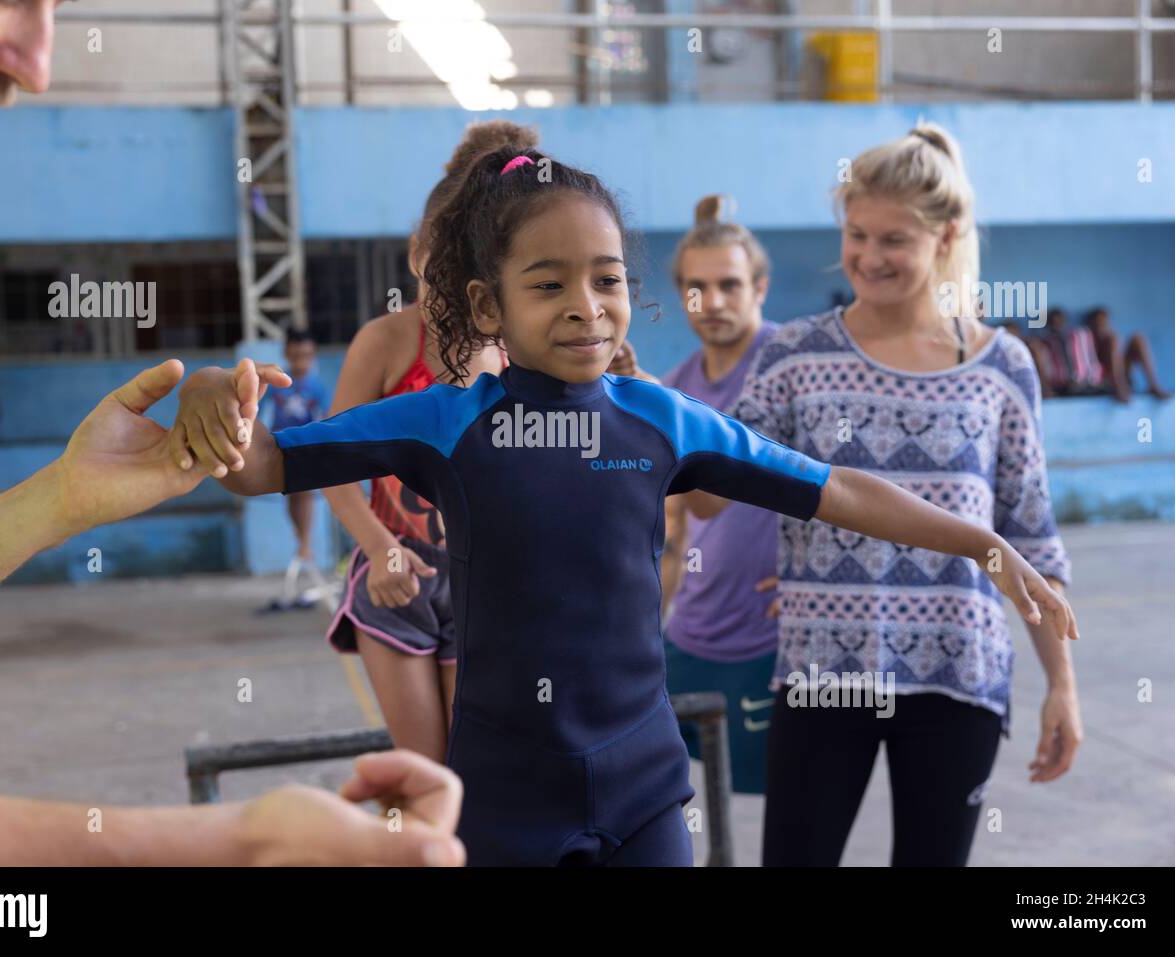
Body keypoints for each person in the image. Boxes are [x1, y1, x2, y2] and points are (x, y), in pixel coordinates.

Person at [170, 146, 1077, 867]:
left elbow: (833, 486)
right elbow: (261, 467)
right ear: (489, 303)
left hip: (645, 789)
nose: (586, 307)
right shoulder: (447, 424)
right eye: (549, 283)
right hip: (502, 790)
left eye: (606, 279)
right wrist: (215, 388)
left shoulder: (663, 421)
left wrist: (982, 543)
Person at [0, 0, 464, 867]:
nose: (37, 66)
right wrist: (240, 844)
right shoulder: (387, 347)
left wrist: (62, 498)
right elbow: (313, 456)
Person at [718, 123, 1082, 866]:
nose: (869, 257)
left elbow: (1033, 537)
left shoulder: (1002, 366)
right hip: (822, 668)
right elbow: (716, 480)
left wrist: (1062, 686)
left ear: (946, 237)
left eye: (894, 240)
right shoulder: (796, 353)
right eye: (856, 234)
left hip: (958, 668)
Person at [320, 120, 523, 764]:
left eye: (475, 273)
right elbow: (327, 465)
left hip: (482, 582)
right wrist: (380, 550)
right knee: (424, 775)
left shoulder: (512, 353)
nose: (455, 292)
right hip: (396, 581)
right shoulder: (385, 343)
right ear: (417, 254)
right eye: (443, 268)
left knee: (476, 773)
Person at [650, 194, 786, 799]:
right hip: (695, 635)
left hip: (780, 642)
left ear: (760, 286)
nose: (714, 302)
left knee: (792, 813)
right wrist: (650, 627)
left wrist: (822, 581)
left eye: (730, 284)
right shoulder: (676, 389)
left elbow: (863, 486)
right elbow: (676, 529)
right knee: (676, 796)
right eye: (697, 287)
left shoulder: (795, 365)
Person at [262, 330, 332, 606]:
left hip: (306, 447)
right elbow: (258, 408)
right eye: (297, 355)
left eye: (307, 355)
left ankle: (305, 545)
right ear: (287, 354)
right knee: (290, 494)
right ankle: (301, 541)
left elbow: (325, 415)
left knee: (304, 493)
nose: (302, 361)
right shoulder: (279, 383)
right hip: (280, 446)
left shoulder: (316, 386)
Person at [1085, 306, 1171, 402]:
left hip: (1124, 375)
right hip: (1106, 378)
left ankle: (1153, 385)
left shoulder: (1110, 337)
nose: (1101, 326)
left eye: (1103, 322)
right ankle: (1118, 386)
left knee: (1138, 338)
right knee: (1113, 339)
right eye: (1097, 323)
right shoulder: (1087, 341)